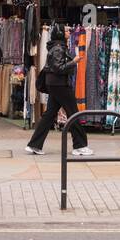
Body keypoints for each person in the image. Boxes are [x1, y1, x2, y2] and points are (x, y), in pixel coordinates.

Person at [26, 25, 92, 157]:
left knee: (49, 114)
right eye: (67, 30)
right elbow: (58, 68)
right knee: (73, 113)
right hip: (60, 85)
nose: (69, 32)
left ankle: (34, 144)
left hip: (55, 85)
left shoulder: (57, 46)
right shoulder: (58, 48)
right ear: (60, 33)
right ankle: (79, 146)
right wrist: (74, 62)